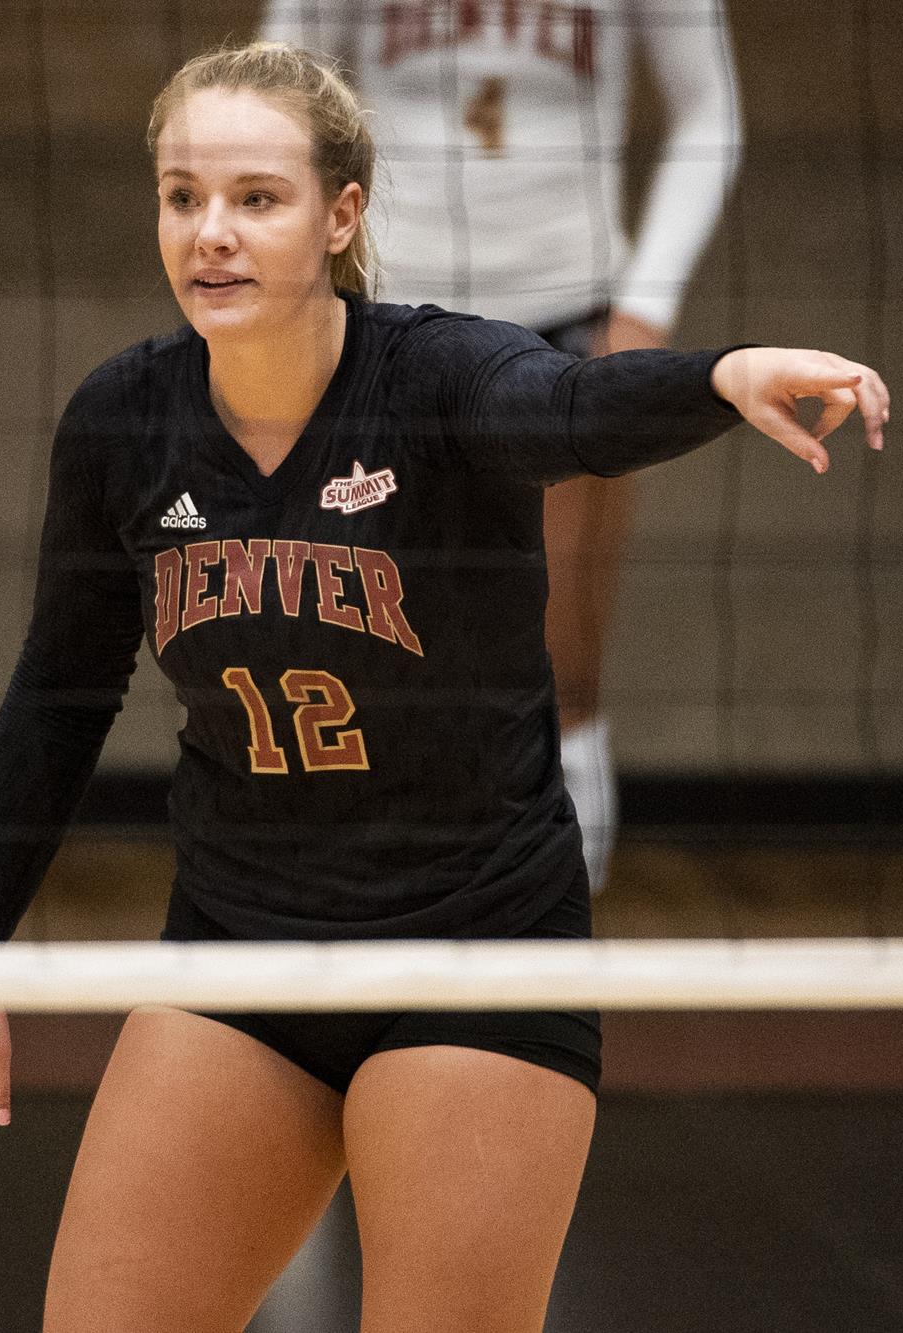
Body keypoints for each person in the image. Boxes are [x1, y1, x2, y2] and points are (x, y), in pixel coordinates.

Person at [0, 41, 883, 1333]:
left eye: (257, 197)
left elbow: (572, 410)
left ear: (342, 213)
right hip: (242, 951)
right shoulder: (125, 420)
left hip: (470, 956)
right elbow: (58, 696)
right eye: (181, 194)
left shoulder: (440, 375)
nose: (211, 231)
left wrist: (717, 374)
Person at [259, 0, 744, 894]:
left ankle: (557, 933)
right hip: (389, 323)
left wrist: (647, 305)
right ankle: (369, 916)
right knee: (361, 637)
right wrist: (298, 278)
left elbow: (710, 113)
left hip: (569, 324)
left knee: (558, 667)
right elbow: (274, 93)